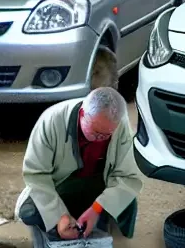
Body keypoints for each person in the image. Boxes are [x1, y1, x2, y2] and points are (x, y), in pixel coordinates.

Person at [15, 87, 142, 247]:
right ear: (82, 114)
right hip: (61, 185)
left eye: (107, 135)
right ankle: (56, 233)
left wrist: (97, 208)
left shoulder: (120, 126)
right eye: (96, 132)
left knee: (127, 202)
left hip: (98, 186)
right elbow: (36, 174)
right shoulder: (51, 120)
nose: (100, 139)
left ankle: (113, 238)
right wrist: (58, 216)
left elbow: (128, 177)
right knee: (29, 211)